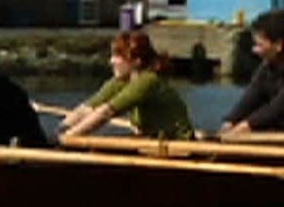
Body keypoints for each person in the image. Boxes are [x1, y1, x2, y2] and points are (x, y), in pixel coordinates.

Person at [59, 30, 195, 139]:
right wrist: (61, 130)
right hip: (148, 141)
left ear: (136, 62)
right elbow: (87, 109)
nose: (111, 61)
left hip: (177, 144)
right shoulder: (123, 80)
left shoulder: (148, 81)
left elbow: (105, 113)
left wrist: (69, 137)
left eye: (118, 57)